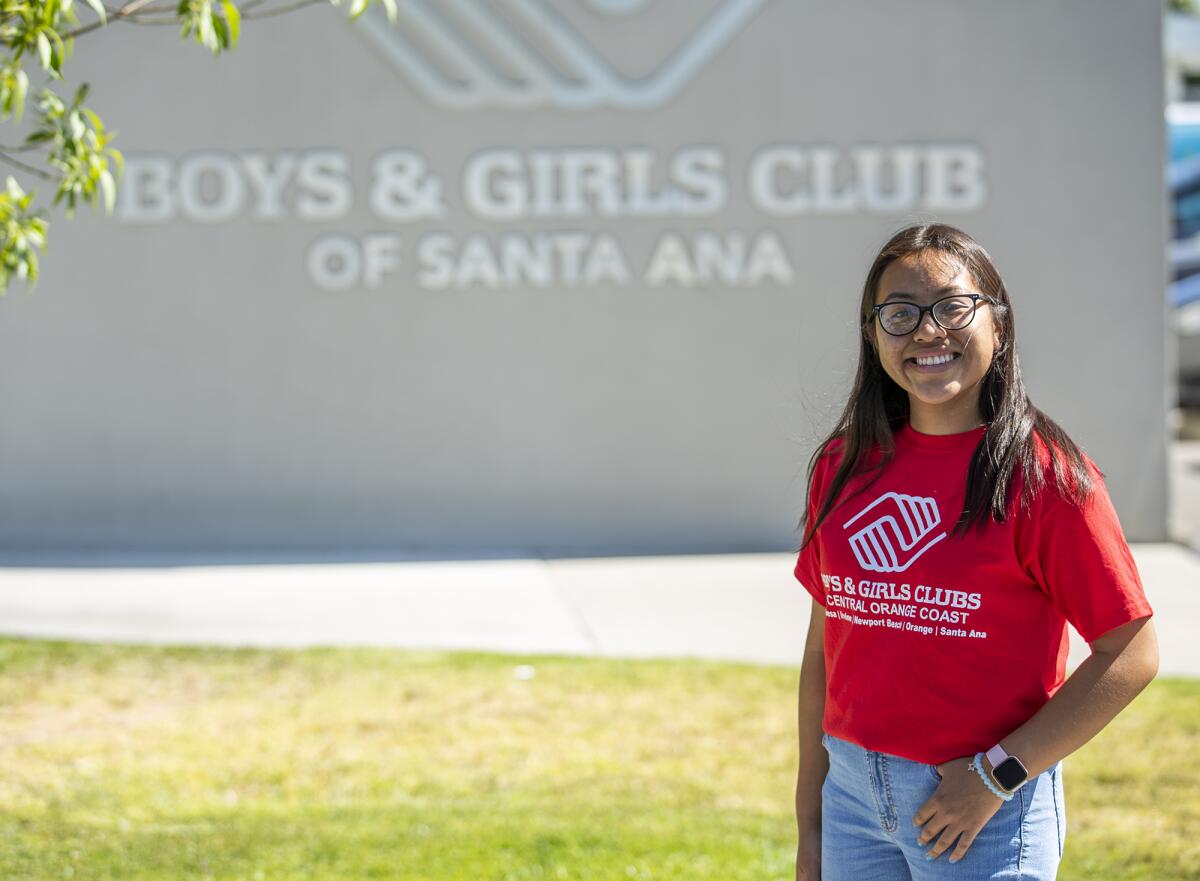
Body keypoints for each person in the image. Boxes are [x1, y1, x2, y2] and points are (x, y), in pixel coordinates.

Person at [791, 223, 1159, 881]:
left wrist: (996, 775)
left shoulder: (1045, 478)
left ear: (999, 323)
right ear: (872, 334)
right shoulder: (843, 467)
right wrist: (812, 821)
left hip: (980, 810)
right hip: (849, 794)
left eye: (953, 307)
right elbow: (825, 646)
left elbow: (1132, 650)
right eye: (900, 313)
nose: (928, 332)